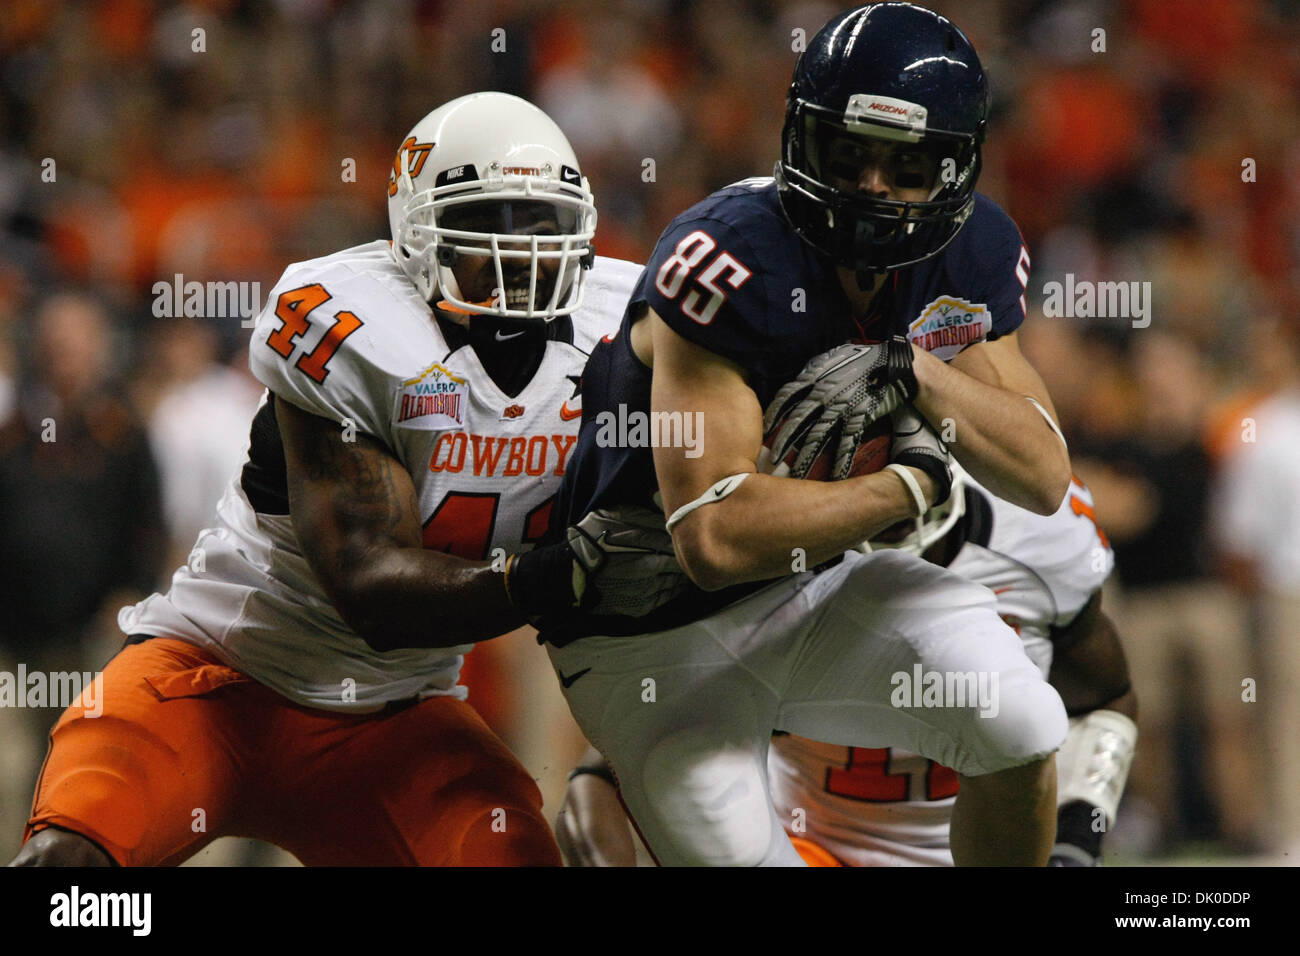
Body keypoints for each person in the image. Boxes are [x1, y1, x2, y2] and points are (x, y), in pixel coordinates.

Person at [10, 91, 658, 867]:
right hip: (216, 678)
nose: (524, 253)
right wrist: (570, 575)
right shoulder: (350, 322)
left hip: (394, 716)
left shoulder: (630, 323)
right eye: (495, 225)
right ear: (416, 233)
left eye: (544, 224)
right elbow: (373, 588)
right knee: (67, 877)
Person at [531, 3, 1074, 866]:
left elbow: (1043, 473)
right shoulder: (730, 258)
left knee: (1025, 722)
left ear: (955, 168)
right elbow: (713, 534)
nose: (871, 185)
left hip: (814, 592)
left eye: (905, 165)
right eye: (848, 154)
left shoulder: (966, 255)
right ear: (799, 141)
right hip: (652, 638)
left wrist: (916, 370)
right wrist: (911, 486)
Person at [556, 470, 1139, 867]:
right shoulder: (768, 564)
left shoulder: (1036, 537)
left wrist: (1075, 844)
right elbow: (607, 774)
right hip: (808, 845)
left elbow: (1104, 699)